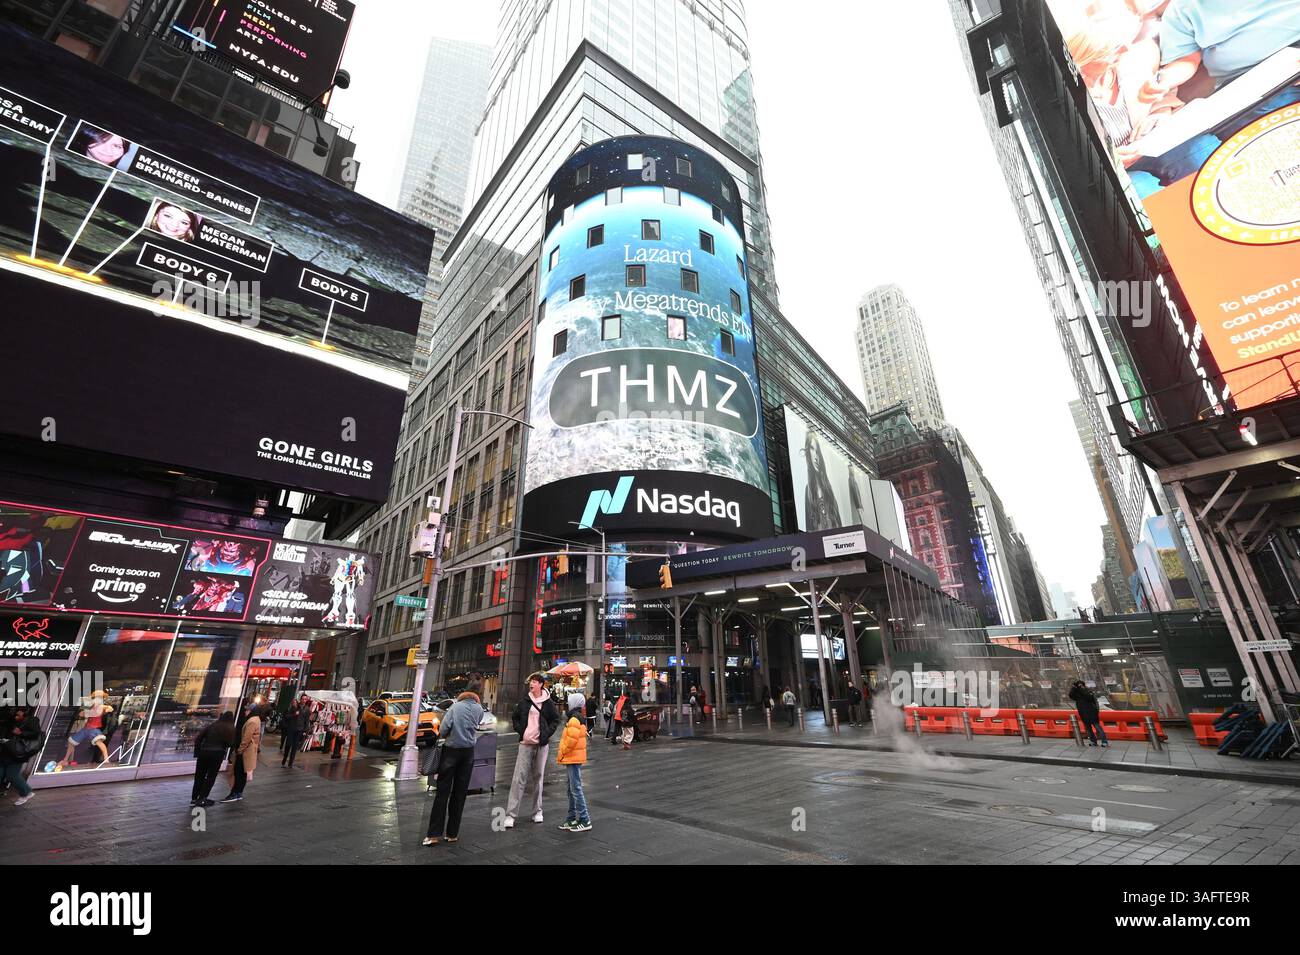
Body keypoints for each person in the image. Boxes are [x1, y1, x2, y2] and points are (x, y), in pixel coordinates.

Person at [423, 688, 486, 846]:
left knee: (443, 792)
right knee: (460, 793)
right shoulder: (479, 709)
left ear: (462, 697)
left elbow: (444, 728)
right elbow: (478, 724)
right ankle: (452, 833)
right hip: (468, 753)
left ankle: (434, 834)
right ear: (475, 699)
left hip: (451, 750)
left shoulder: (455, 707)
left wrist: (447, 734)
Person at [502, 673, 559, 829]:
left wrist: (546, 733)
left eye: (534, 682)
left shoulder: (548, 703)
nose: (531, 684)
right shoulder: (525, 701)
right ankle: (510, 815)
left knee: (538, 778)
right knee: (518, 778)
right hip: (525, 744)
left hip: (541, 745)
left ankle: (537, 812)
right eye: (530, 682)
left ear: (541, 684)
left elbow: (555, 719)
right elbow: (515, 718)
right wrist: (522, 731)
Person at [557, 692, 592, 832]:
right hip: (573, 757)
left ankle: (584, 818)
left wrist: (563, 751)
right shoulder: (578, 718)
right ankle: (571, 818)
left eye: (569, 701)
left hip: (572, 756)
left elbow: (571, 740)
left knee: (575, 788)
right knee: (571, 789)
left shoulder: (573, 719)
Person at [55, 690, 115, 770]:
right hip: (86, 729)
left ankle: (106, 758)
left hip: (93, 729)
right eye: (96, 698)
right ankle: (66, 760)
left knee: (99, 742)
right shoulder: (91, 706)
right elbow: (81, 713)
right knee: (71, 742)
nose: (97, 699)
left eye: (100, 698)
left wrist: (106, 708)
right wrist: (87, 711)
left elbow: (110, 708)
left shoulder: (101, 707)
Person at [221, 703, 264, 802]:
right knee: (242, 773)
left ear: (251, 711)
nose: (245, 712)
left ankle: (235, 792)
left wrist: (240, 750)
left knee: (239, 772)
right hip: (248, 751)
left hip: (245, 752)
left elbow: (246, 738)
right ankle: (238, 793)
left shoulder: (252, 721)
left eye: (247, 710)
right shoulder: (256, 719)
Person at [1, 707, 43, 806]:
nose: (15, 714)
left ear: (24, 712)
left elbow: (35, 733)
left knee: (12, 775)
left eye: (17, 712)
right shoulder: (14, 720)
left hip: (17, 753)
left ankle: (27, 792)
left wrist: (21, 733)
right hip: (7, 751)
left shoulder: (32, 720)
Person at [191, 711, 235, 807]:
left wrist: (198, 752)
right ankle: (202, 798)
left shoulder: (213, 725)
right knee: (211, 776)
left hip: (204, 752)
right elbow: (230, 744)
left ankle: (194, 798)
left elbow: (199, 738)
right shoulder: (230, 729)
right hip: (217, 754)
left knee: (199, 775)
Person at [1068, 680, 1110, 748]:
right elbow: (1070, 695)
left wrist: (1082, 688)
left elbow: (1088, 697)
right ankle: (1093, 741)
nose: (1080, 686)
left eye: (1081, 685)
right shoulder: (1077, 694)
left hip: (1092, 712)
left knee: (1097, 727)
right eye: (1079, 685)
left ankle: (1104, 741)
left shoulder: (1088, 691)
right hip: (1083, 713)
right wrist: (1073, 687)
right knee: (1088, 729)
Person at [280, 697, 309, 768]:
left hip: (299, 730)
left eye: (305, 699)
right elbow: (286, 716)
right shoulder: (295, 706)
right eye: (303, 699)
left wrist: (305, 731)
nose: (304, 700)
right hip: (291, 729)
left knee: (294, 747)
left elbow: (306, 721)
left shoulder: (307, 709)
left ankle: (290, 763)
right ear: (301, 699)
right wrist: (294, 715)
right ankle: (284, 759)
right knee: (288, 745)